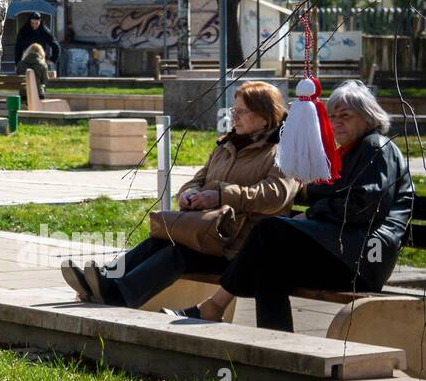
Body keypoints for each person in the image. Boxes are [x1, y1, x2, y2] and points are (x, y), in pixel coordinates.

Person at [168, 80, 414, 331]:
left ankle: (213, 306)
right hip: (341, 250)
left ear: (368, 118)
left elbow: (363, 207)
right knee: (269, 267)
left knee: (268, 230)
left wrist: (309, 214)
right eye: (333, 116)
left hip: (362, 258)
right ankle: (277, 343)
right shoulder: (350, 152)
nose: (337, 122)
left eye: (346, 116)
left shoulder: (376, 147)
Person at [61, 81, 298, 309]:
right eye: (233, 110)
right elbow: (197, 179)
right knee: (159, 240)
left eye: (242, 111)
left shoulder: (283, 152)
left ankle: (117, 295)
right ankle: (101, 281)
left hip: (239, 248)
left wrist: (221, 196)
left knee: (179, 252)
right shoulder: (225, 146)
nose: (234, 116)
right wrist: (190, 193)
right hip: (207, 234)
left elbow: (275, 195)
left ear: (265, 116)